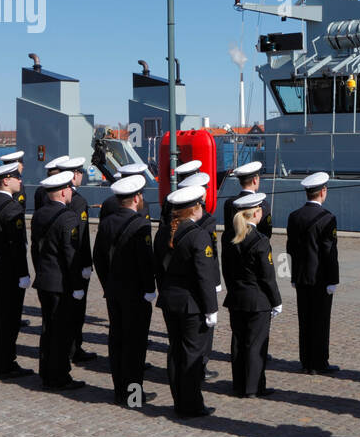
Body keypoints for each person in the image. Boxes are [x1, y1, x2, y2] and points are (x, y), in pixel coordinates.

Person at [155, 185, 221, 418]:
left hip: (170, 301)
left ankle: (179, 400)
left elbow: (159, 269)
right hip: (192, 305)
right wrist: (211, 308)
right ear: (194, 209)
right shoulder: (198, 235)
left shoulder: (163, 233)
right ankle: (191, 404)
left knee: (175, 352)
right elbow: (203, 275)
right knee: (192, 355)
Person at [94, 174, 156, 404]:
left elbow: (98, 258)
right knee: (135, 345)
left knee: (117, 341)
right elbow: (145, 261)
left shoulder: (107, 222)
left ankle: (119, 390)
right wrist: (150, 288)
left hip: (114, 292)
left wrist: (107, 283)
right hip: (136, 293)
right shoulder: (141, 224)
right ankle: (133, 395)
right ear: (137, 198)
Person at [31, 170, 90, 391]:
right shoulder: (68, 218)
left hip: (44, 280)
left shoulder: (39, 214)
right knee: (61, 332)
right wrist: (76, 285)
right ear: (64, 191)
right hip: (61, 283)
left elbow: (35, 250)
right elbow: (70, 255)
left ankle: (46, 372)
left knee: (48, 330)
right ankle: (59, 376)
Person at [222, 191, 282, 398]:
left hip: (236, 297)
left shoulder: (228, 236)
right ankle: (254, 387)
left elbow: (226, 270)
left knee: (238, 343)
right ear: (256, 213)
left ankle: (239, 384)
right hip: (258, 300)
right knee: (256, 345)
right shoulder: (260, 241)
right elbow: (267, 276)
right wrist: (277, 301)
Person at [0, 161, 33, 380]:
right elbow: (16, 246)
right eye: (16, 177)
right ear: (6, 180)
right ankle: (6, 364)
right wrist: (23, 273)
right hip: (10, 271)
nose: (20, 180)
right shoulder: (12, 208)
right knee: (9, 319)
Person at [286, 171, 339, 374]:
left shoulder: (294, 216)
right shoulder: (327, 218)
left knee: (305, 319)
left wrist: (292, 275)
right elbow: (329, 252)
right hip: (321, 278)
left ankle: (306, 360)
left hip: (301, 276)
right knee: (321, 320)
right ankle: (319, 362)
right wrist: (333, 280)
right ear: (323, 191)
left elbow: (291, 248)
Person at [60, 157, 96, 364]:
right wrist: (86, 263)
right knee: (76, 308)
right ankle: (74, 347)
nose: (81, 176)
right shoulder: (78, 201)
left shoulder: (49, 196)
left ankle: (66, 346)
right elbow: (81, 237)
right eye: (80, 172)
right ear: (74, 174)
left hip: (59, 263)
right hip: (76, 262)